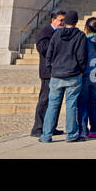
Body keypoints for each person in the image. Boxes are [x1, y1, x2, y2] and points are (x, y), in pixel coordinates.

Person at [40, 10, 87, 143]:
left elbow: (49, 54)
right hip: (73, 74)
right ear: (76, 22)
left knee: (52, 105)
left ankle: (46, 135)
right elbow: (82, 57)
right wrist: (81, 70)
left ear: (65, 21)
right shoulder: (80, 36)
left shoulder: (56, 34)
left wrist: (50, 69)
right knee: (71, 105)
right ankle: (71, 134)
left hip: (56, 74)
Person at [31, 10, 66, 138]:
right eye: (61, 20)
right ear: (53, 20)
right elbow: (43, 49)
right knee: (45, 101)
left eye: (64, 20)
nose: (63, 22)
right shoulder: (45, 32)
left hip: (58, 71)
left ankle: (51, 126)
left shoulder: (60, 33)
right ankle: (38, 128)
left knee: (56, 101)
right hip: (48, 73)